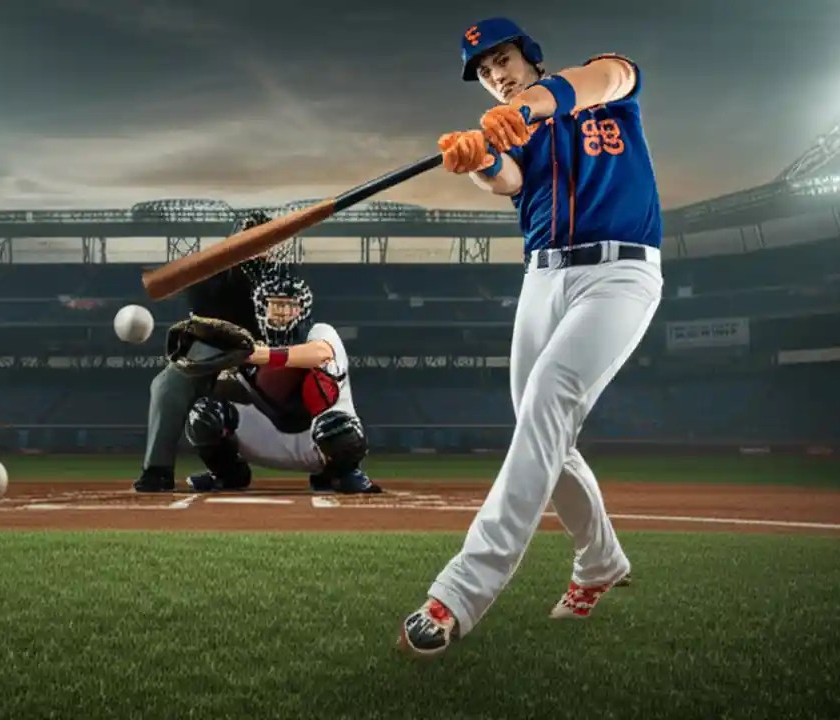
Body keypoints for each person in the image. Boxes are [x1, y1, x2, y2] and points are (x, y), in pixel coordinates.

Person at [399, 16, 659, 656]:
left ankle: (462, 590)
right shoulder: (512, 131)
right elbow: (508, 182)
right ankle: (600, 561)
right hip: (543, 279)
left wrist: (522, 111)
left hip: (619, 272)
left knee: (548, 397)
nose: (497, 75)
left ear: (530, 55)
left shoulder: (607, 84)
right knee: (540, 427)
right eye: (485, 72)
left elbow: (598, 79)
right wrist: (481, 158)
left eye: (504, 59)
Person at [182, 269, 381, 494]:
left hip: (316, 441)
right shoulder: (246, 338)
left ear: (302, 309)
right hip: (264, 432)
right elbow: (226, 391)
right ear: (263, 308)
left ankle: (339, 475)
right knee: (204, 414)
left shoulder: (319, 331)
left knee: (338, 428)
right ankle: (227, 475)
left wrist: (264, 356)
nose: (283, 312)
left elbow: (321, 353)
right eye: (276, 305)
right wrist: (228, 369)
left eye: (290, 305)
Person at [133, 211, 281, 493]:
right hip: (219, 348)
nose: (259, 246)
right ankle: (163, 470)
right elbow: (204, 310)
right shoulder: (214, 274)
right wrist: (229, 263)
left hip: (274, 350)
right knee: (168, 385)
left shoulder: (285, 278)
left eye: (266, 239)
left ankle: (336, 463)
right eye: (250, 237)